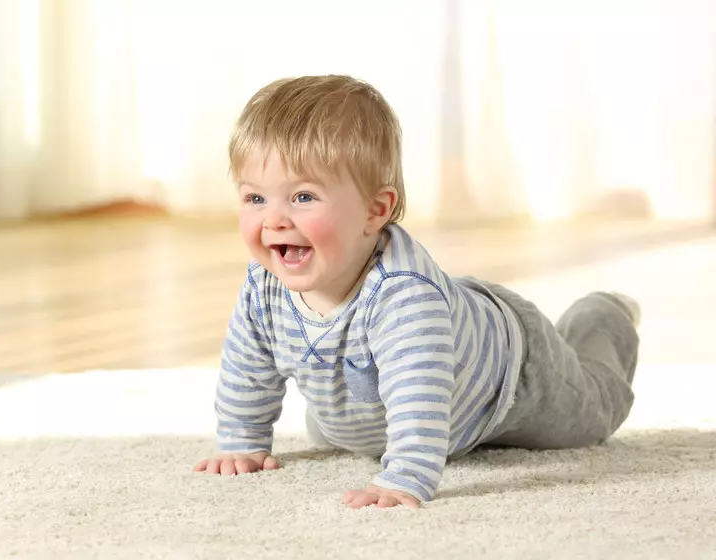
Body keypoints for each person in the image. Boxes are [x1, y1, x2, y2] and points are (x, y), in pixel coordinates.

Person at [193, 75, 640, 510]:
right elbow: (246, 367)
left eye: (303, 197)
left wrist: (405, 476)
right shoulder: (263, 284)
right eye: (255, 199)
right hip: (389, 376)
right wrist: (242, 441)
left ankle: (603, 315)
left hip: (513, 375)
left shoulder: (404, 297)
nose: (273, 221)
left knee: (592, 413)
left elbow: (420, 398)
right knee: (328, 427)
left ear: (376, 210)